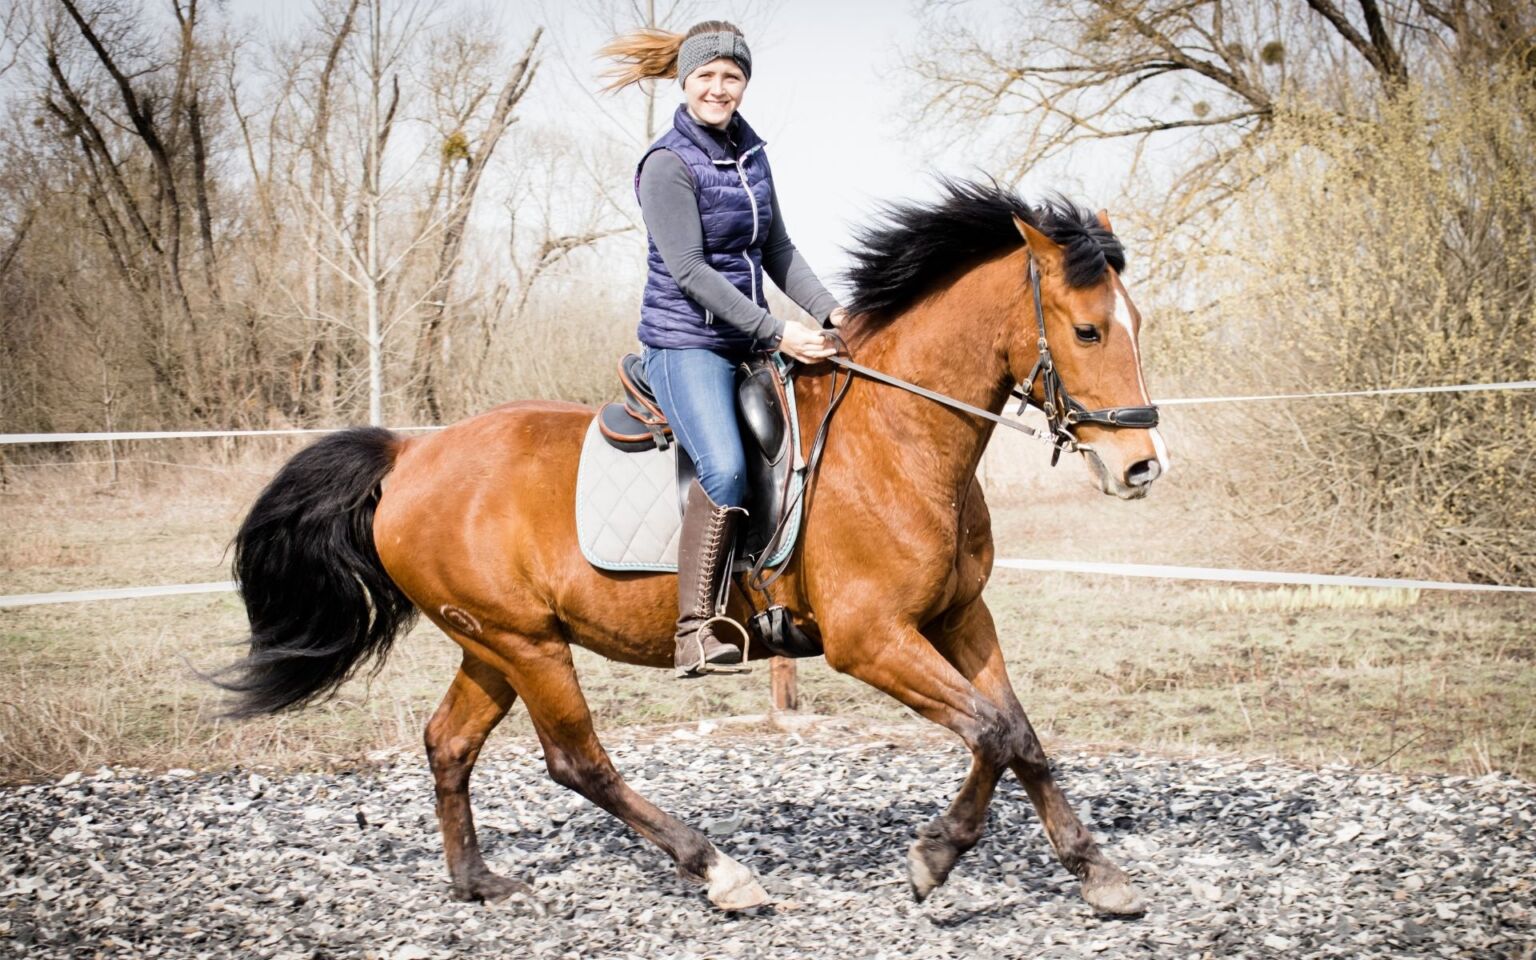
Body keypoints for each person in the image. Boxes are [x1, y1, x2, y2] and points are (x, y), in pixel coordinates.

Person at [599, 20, 848, 677]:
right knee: (727, 468)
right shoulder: (666, 164)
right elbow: (689, 270)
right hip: (685, 343)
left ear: (743, 85)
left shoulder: (751, 155)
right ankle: (693, 631)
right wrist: (778, 330)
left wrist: (832, 310)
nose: (719, 87)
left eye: (731, 77)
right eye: (706, 76)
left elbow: (777, 250)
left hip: (746, 336)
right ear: (684, 82)